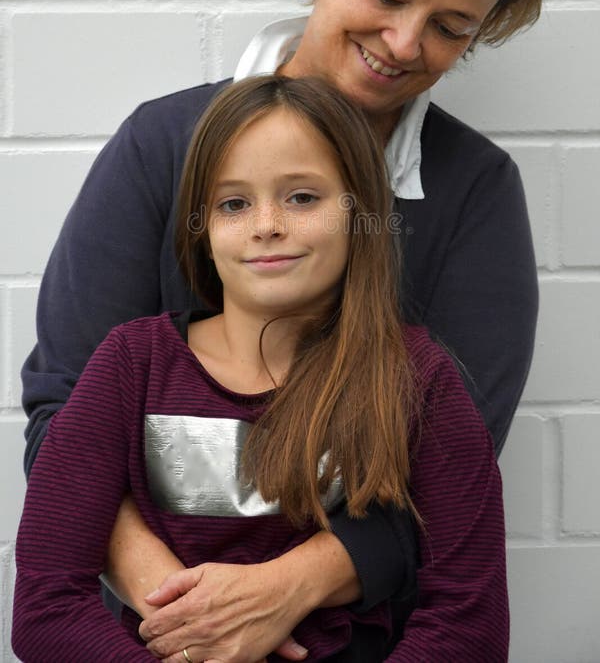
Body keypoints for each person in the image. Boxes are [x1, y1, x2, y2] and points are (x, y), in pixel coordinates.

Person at [20, 0, 550, 661]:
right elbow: (62, 413)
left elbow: (454, 482)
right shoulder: (163, 148)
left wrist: (283, 590)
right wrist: (187, 620)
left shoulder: (474, 194)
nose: (406, 44)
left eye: (452, 27)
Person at [13, 76, 508, 663]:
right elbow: (46, 607)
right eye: (234, 203)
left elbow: (467, 624)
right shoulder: (129, 366)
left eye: (302, 197)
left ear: (360, 212)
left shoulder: (419, 383)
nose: (266, 223)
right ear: (201, 226)